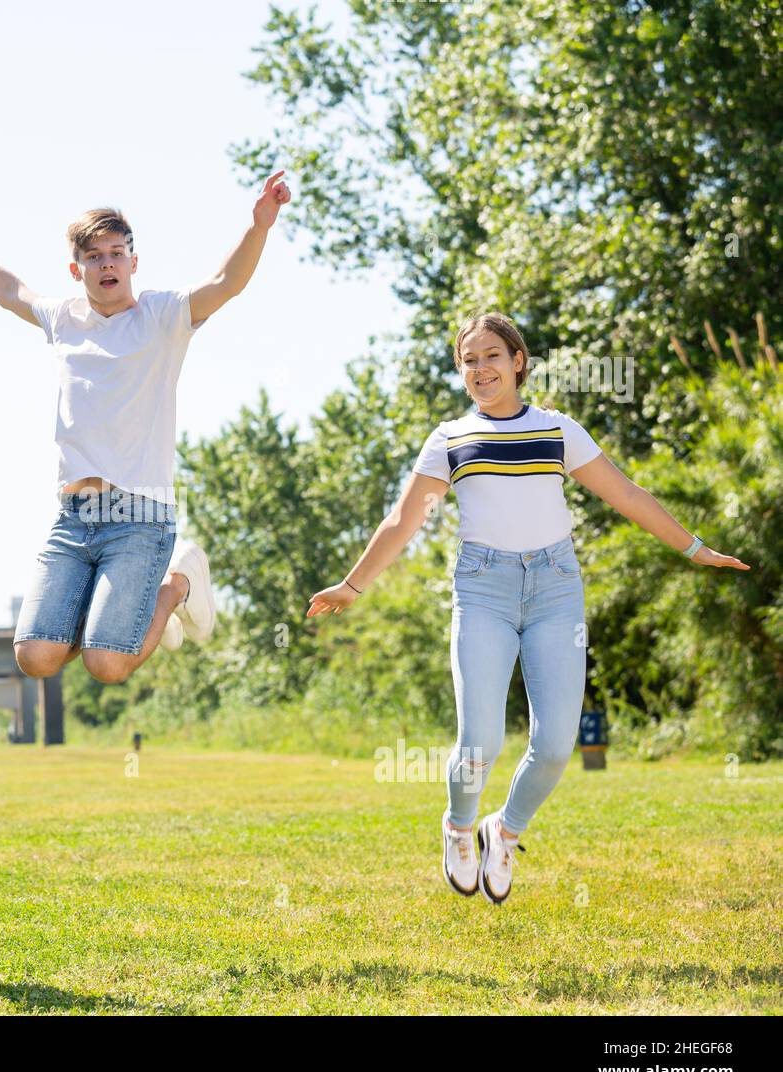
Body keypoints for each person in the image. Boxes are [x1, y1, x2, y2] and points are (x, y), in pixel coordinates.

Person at [307, 312, 749, 905]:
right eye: (469, 360)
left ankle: (504, 831)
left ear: (518, 361)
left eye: (492, 356)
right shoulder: (450, 439)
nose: (480, 369)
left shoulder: (558, 430)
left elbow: (627, 495)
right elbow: (402, 521)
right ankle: (460, 826)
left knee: (558, 743)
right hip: (483, 588)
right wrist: (351, 585)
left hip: (555, 587)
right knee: (480, 743)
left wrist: (694, 548)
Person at [0, 171, 292, 683]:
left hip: (141, 515)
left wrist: (259, 227)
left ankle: (174, 585)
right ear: (77, 269)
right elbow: (8, 290)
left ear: (133, 262)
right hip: (73, 517)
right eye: (94, 256)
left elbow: (228, 284)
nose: (106, 263)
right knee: (35, 657)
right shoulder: (64, 319)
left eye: (116, 253)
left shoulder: (163, 316)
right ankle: (127, 614)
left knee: (108, 664)